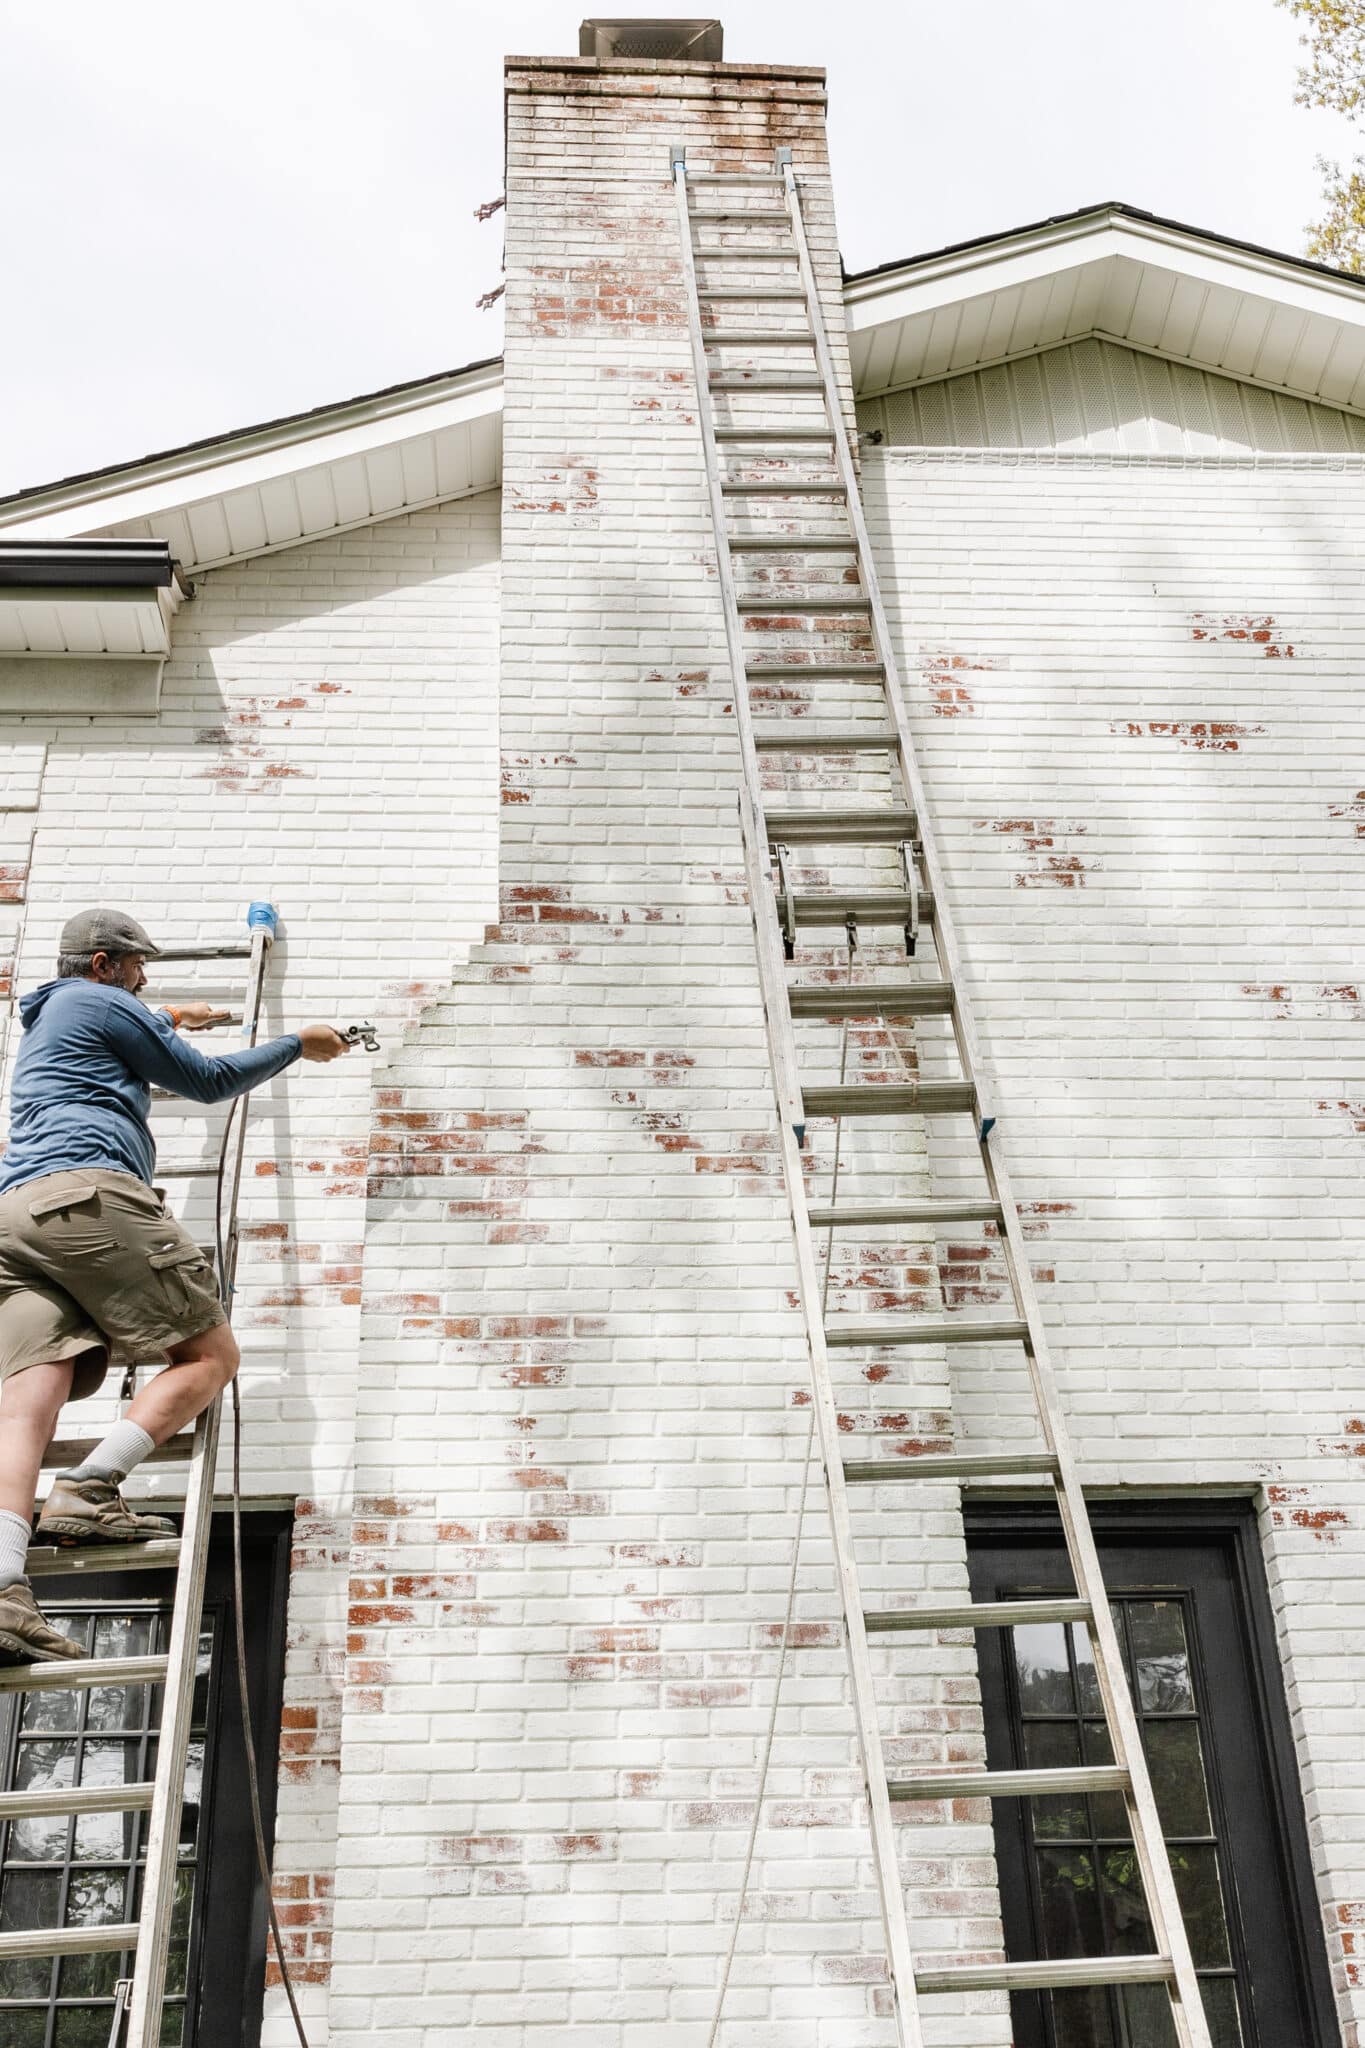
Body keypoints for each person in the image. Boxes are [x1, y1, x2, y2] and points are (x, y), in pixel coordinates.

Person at [0, 909, 349, 1666]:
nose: (145, 976)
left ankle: (0, 1586)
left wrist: (161, 1017)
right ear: (102, 963)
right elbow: (206, 1080)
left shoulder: (56, 1015)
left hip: (16, 1218)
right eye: (137, 966)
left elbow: (115, 1034)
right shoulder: (100, 1000)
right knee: (209, 1355)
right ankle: (90, 1489)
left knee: (32, 1396)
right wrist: (299, 1044)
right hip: (85, 1196)